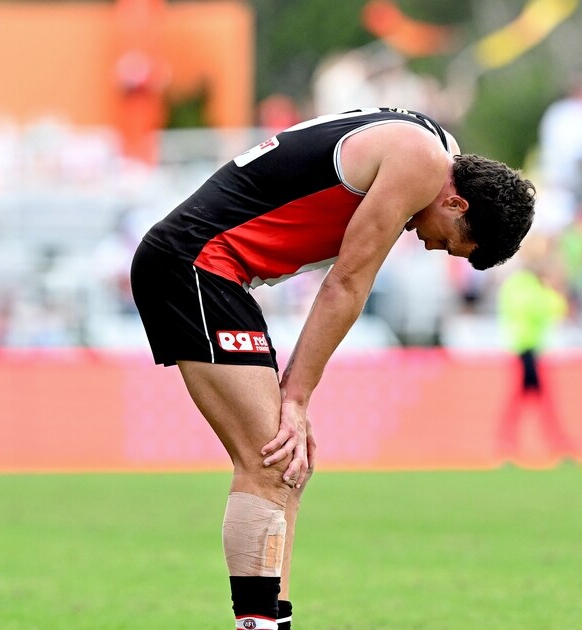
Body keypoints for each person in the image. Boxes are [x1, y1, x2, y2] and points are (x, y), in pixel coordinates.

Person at [130, 107, 535, 629]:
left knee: (289, 466)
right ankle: (257, 626)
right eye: (450, 241)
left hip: (215, 270)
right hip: (196, 264)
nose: (431, 245)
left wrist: (298, 396)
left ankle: (274, 620)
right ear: (456, 202)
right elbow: (347, 283)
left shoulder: (430, 146)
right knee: (271, 459)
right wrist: (295, 399)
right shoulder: (421, 161)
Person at [495, 233, 573, 465]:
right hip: (525, 349)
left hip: (530, 350)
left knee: (527, 400)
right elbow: (547, 308)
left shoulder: (521, 284)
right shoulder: (524, 285)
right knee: (535, 401)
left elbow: (556, 308)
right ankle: (553, 445)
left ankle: (511, 445)